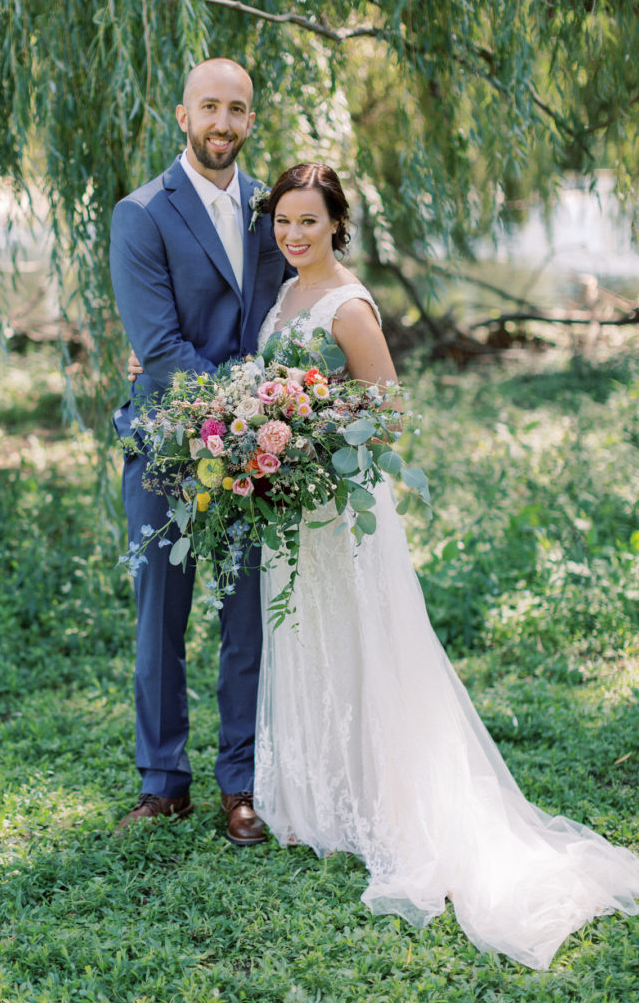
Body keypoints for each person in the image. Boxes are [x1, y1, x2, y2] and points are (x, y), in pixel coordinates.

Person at [253, 162, 639, 969]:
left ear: (337, 227)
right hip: (293, 513)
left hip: (337, 505)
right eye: (284, 221)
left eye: (309, 223)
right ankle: (321, 801)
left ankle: (389, 808)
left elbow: (388, 409)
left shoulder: (346, 305)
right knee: (310, 639)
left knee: (369, 650)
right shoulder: (285, 294)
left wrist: (312, 439)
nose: (293, 234)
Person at [109, 58, 291, 843]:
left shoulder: (272, 214)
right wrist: (251, 401)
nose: (224, 122)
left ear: (251, 120)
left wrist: (275, 410)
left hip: (256, 456)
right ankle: (163, 783)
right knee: (162, 617)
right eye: (209, 107)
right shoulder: (141, 214)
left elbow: (286, 321)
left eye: (239, 110)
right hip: (165, 444)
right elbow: (160, 346)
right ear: (181, 115)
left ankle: (240, 785)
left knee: (249, 615)